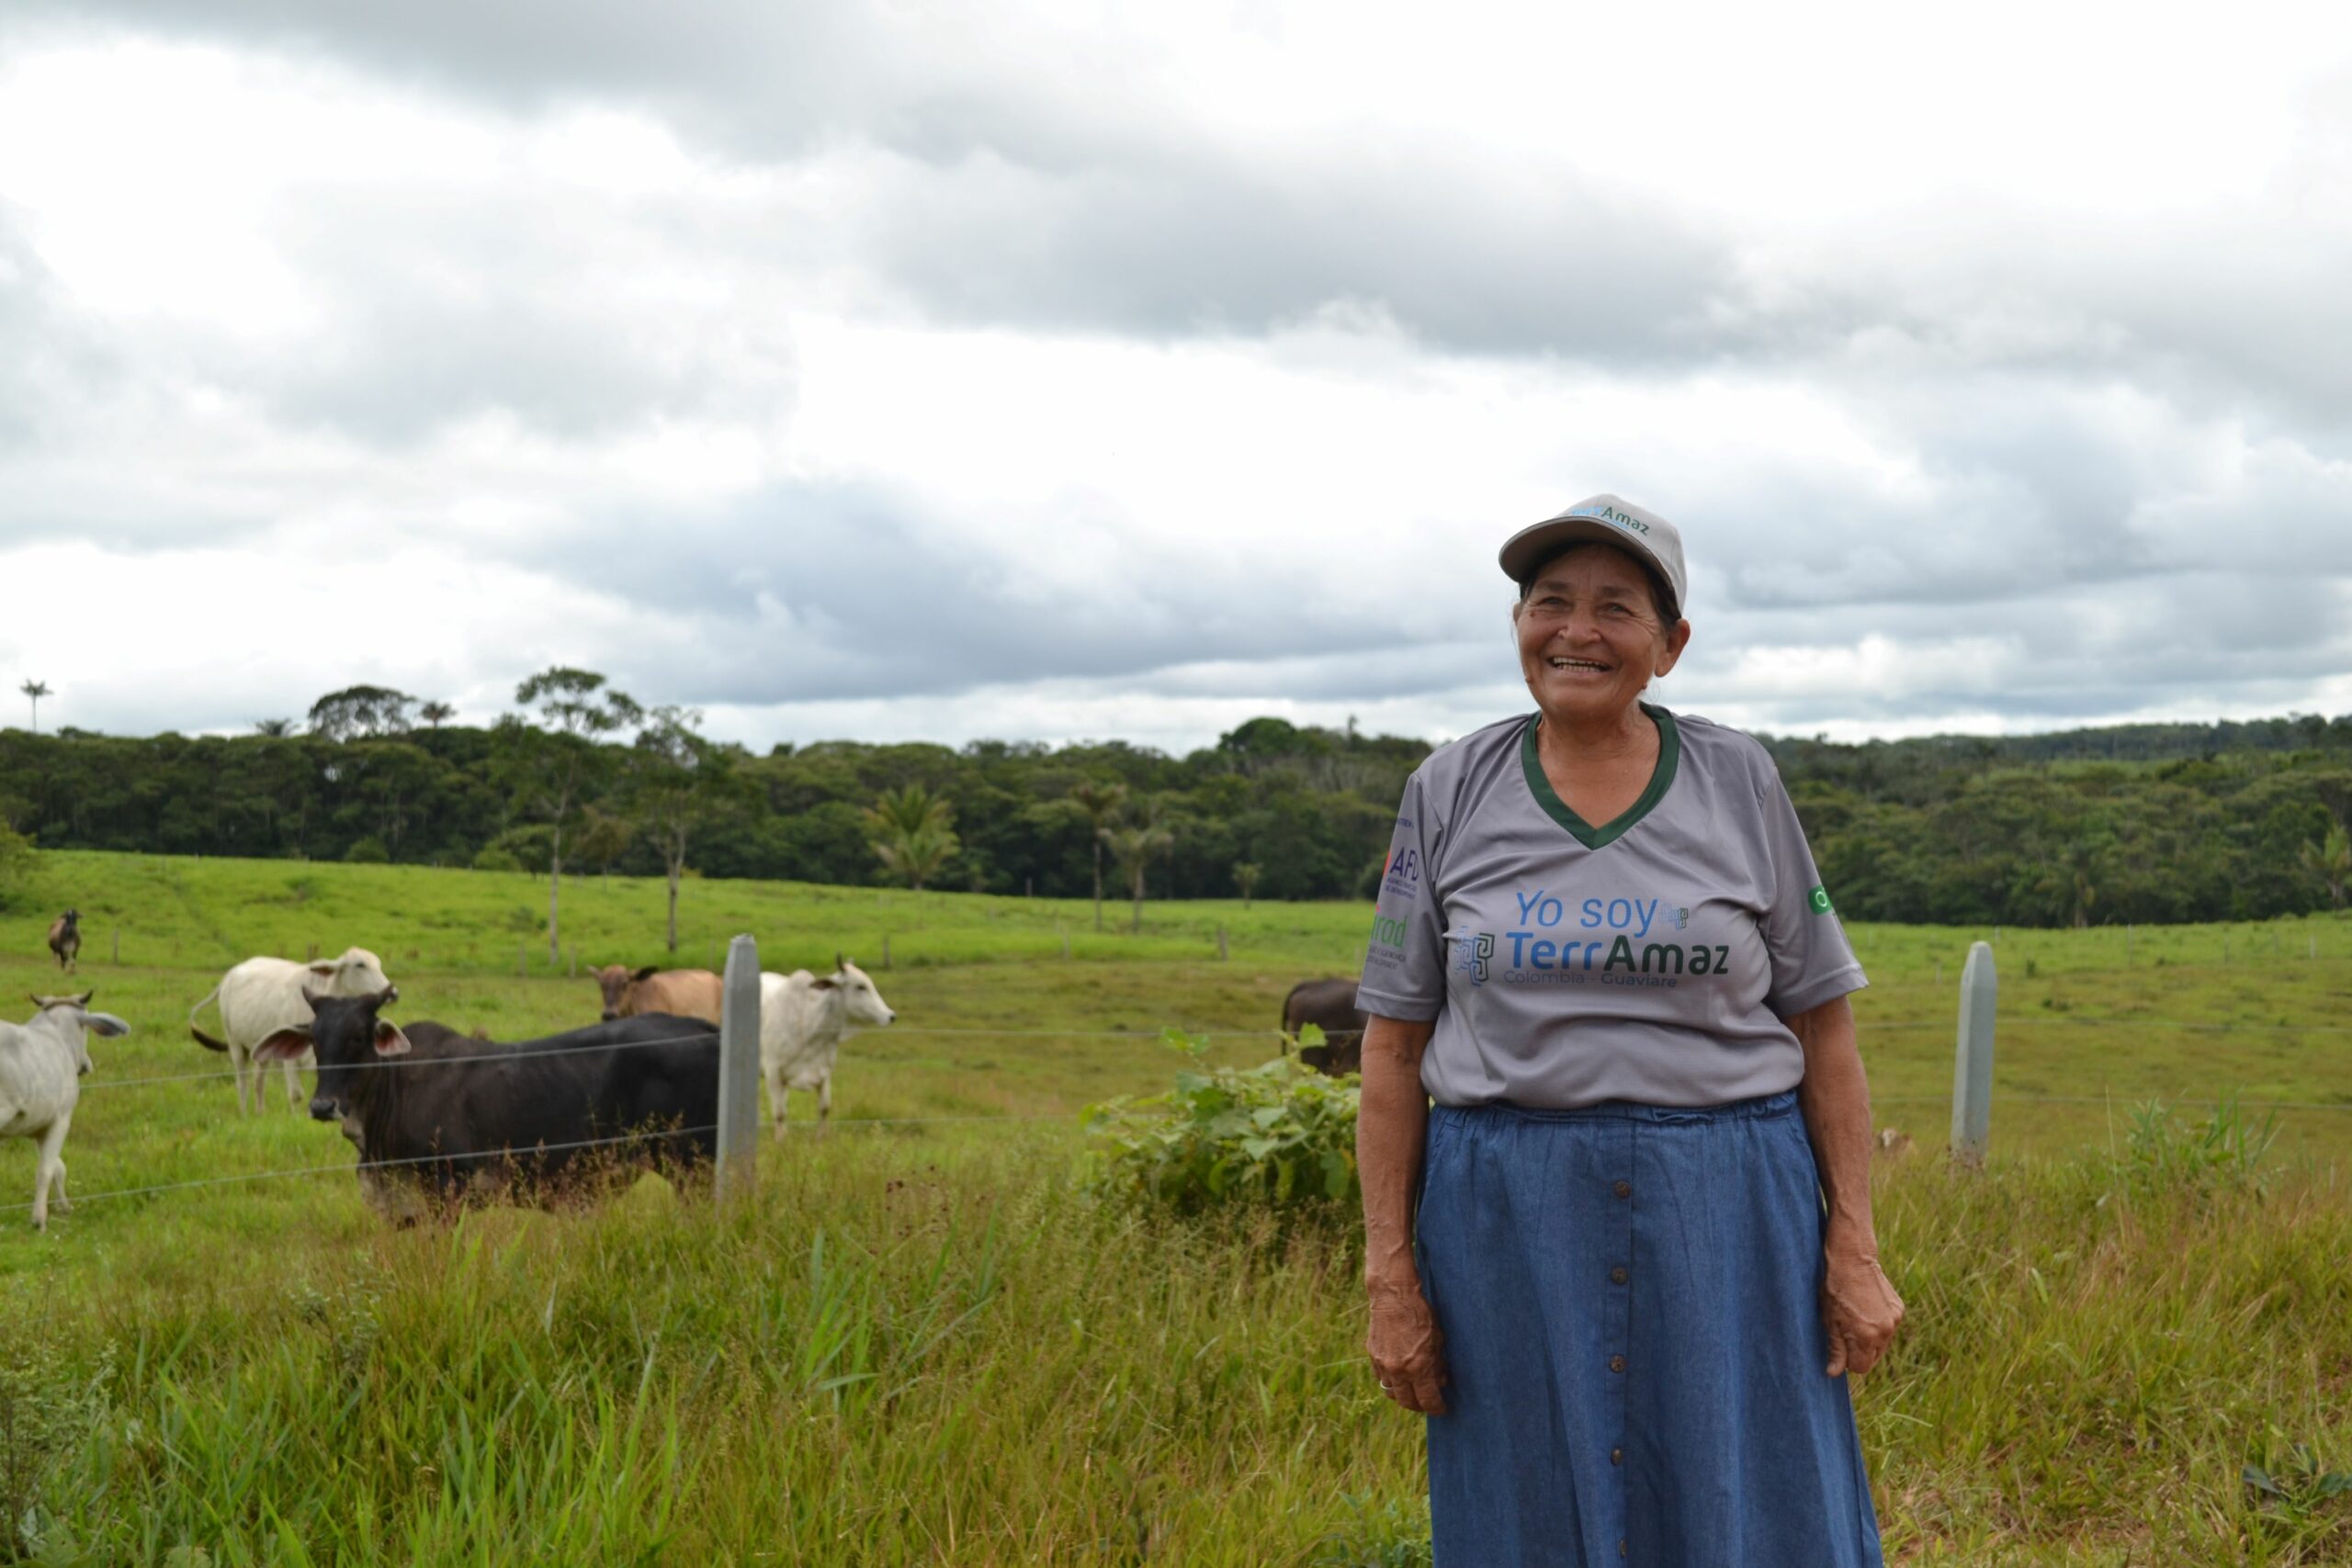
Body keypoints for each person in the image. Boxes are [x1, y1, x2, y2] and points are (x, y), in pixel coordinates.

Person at [1355, 493, 1904, 1566]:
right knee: (1522, 1500)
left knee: (1747, 1489)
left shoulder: (1738, 780)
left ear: (1670, 645)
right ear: (1518, 628)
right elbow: (1391, 1049)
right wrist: (1390, 1276)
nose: (1577, 631)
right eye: (1549, 602)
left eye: (1616, 608)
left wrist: (1853, 1244)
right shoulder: (1447, 790)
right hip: (1504, 1210)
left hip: (1729, 1203)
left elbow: (1823, 1032)